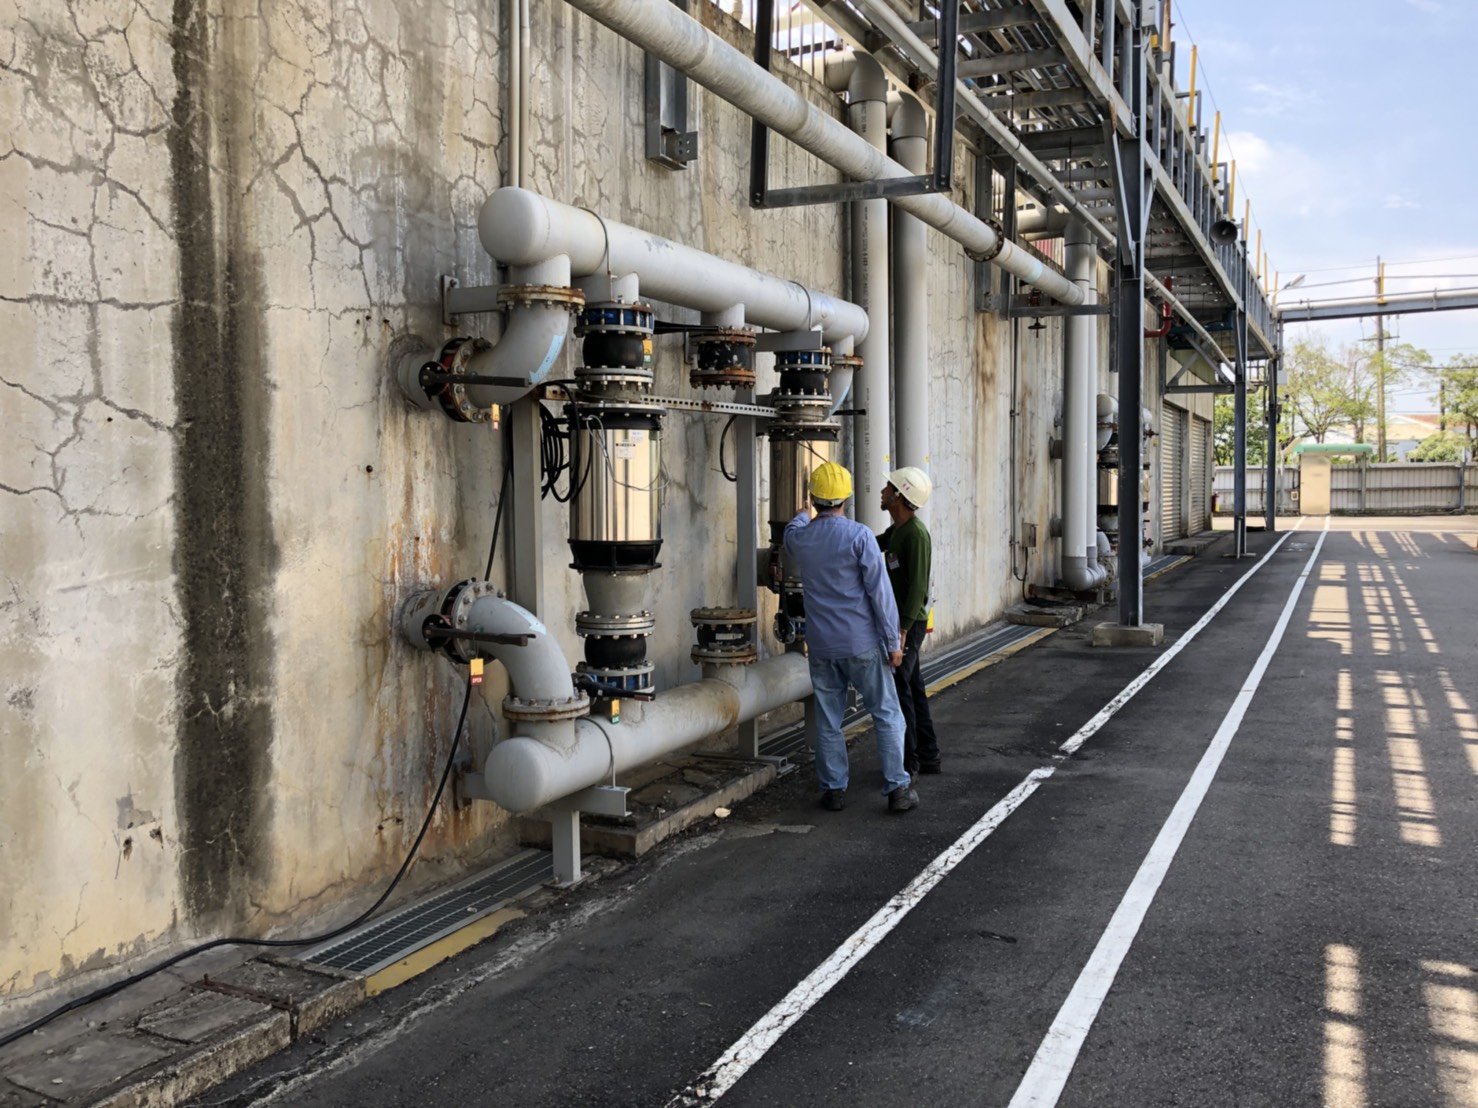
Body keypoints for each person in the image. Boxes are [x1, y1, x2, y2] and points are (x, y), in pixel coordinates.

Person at [783, 462, 918, 814]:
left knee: (829, 720)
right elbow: (880, 595)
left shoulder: (802, 539)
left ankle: (833, 790)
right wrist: (894, 643)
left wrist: (800, 515)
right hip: (862, 643)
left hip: (822, 647)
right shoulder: (859, 536)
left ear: (814, 498)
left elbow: (790, 533)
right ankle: (898, 789)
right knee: (887, 713)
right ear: (846, 497)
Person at [878, 466, 941, 776]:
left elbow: (917, 588)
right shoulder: (897, 531)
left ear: (900, 496)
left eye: (888, 488)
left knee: (900, 690)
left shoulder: (915, 534)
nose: (882, 492)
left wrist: (902, 631)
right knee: (913, 688)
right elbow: (870, 544)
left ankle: (909, 763)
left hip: (909, 624)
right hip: (904, 623)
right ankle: (928, 756)